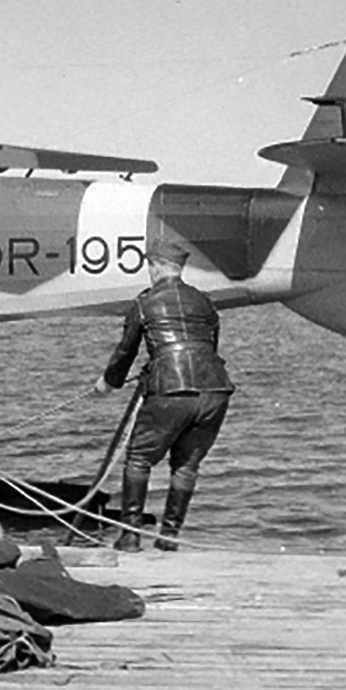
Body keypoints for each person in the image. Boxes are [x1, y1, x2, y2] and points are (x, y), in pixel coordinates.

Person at [92, 235, 235, 552]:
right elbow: (209, 347)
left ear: (156, 266)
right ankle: (169, 538)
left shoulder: (144, 303)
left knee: (139, 458)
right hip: (215, 389)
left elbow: (125, 352)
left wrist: (108, 383)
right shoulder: (205, 302)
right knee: (186, 466)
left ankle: (130, 536)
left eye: (150, 266)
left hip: (171, 390)